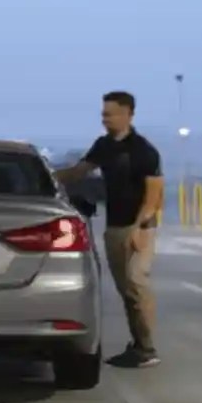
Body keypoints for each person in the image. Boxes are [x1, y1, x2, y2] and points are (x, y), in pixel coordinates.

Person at [54, 90, 164, 369]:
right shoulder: (104, 145)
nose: (105, 119)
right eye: (103, 114)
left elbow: (154, 196)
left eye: (110, 114)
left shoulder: (143, 150)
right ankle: (138, 346)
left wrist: (139, 228)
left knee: (136, 283)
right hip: (114, 226)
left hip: (139, 226)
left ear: (128, 114)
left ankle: (147, 348)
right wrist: (45, 177)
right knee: (126, 289)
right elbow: (79, 171)